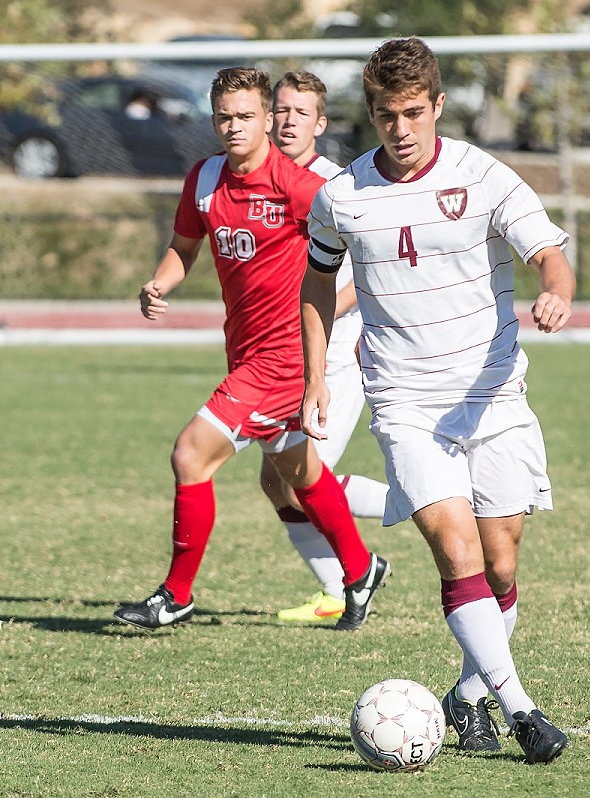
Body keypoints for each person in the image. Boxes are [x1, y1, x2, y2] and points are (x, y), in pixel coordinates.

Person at [300, 38, 573, 764]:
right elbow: (319, 282)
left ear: (439, 106)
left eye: (414, 113)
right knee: (456, 553)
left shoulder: (484, 177)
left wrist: (555, 290)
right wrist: (315, 373)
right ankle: (523, 712)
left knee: (501, 562)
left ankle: (470, 694)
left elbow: (549, 253)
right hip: (406, 401)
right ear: (372, 113)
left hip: (492, 397)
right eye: (387, 115)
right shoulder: (342, 196)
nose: (401, 128)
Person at [114, 66, 388, 633]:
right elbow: (182, 247)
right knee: (297, 472)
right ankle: (359, 570)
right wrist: (161, 282)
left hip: (283, 358)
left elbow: (368, 242)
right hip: (244, 350)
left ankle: (177, 594)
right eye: (223, 117)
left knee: (191, 455)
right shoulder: (205, 178)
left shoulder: (298, 185)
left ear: (267, 119)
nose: (233, 127)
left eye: (245, 117)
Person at [266, 71, 390, 625]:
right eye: (281, 109)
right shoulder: (254, 178)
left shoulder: (337, 187)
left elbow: (359, 273)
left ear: (319, 124)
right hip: (281, 355)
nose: (288, 120)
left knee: (303, 475)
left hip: (333, 355)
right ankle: (340, 586)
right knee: (279, 478)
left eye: (301, 112)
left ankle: (432, 502)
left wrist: (310, 314)